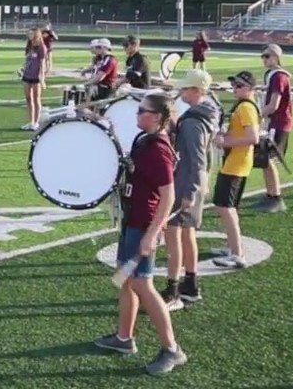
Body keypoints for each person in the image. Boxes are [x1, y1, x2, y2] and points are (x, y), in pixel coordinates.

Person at [94, 93, 186, 375]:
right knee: (127, 281)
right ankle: (124, 338)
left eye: (141, 111)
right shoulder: (143, 140)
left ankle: (172, 349)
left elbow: (168, 196)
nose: (137, 115)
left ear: (157, 117)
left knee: (143, 284)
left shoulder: (157, 148)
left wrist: (152, 233)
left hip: (143, 223)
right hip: (132, 219)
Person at [161, 69, 219, 310]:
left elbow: (197, 160)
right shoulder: (204, 114)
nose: (181, 92)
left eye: (185, 89)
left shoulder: (194, 122)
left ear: (197, 91)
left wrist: (189, 192)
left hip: (186, 182)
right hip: (193, 181)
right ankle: (191, 284)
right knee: (187, 234)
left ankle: (173, 290)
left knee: (173, 236)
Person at [210, 71, 261, 267]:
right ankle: (232, 247)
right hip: (236, 161)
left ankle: (237, 253)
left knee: (225, 206)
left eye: (239, 86)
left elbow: (253, 138)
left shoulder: (246, 107)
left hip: (236, 163)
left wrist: (225, 141)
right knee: (226, 206)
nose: (235, 89)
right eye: (234, 85)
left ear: (249, 88)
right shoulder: (244, 106)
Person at [254, 44, 293, 213]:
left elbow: (274, 105)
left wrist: (256, 116)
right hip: (275, 122)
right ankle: (270, 195)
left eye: (267, 56)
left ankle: (276, 196)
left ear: (276, 57)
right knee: (265, 160)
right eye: (263, 56)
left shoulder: (278, 77)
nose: (264, 59)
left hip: (278, 122)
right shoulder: (272, 75)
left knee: (268, 159)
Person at [19, 29, 47, 131]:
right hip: (27, 74)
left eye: (31, 33)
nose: (29, 35)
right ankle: (30, 121)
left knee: (36, 99)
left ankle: (36, 122)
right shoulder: (29, 46)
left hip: (36, 76)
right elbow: (27, 60)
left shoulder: (41, 47)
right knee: (28, 98)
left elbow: (42, 63)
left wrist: (42, 76)